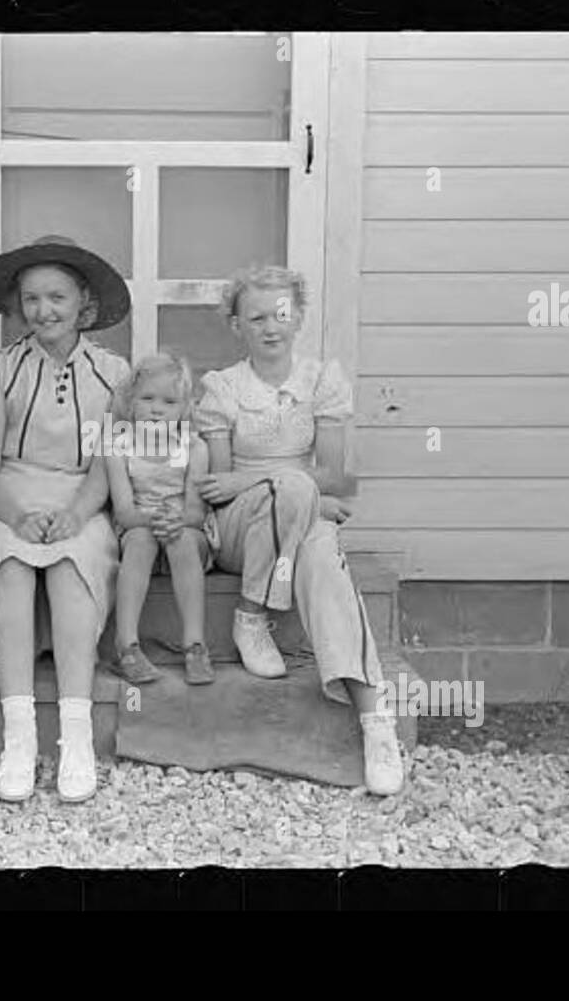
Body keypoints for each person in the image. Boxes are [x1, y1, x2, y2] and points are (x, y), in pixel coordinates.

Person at [194, 265, 405, 796]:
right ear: (237, 325)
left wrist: (295, 486)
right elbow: (221, 486)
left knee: (324, 558)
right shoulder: (222, 387)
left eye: (282, 314)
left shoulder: (321, 380)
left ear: (300, 317)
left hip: (302, 520)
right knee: (295, 495)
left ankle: (375, 723)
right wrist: (301, 489)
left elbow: (335, 474)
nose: (271, 326)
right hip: (244, 528)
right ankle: (251, 612)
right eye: (256, 316)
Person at [0, 235, 130, 804]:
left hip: (82, 498)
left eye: (57, 297)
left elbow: (109, 461)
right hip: (7, 497)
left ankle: (75, 735)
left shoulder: (113, 374)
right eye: (31, 299)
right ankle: (20, 736)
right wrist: (16, 515)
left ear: (84, 304)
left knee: (72, 567)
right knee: (6, 563)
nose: (43, 310)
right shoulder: (3, 369)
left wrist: (78, 515)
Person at [104, 351, 216, 686]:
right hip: (139, 529)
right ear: (131, 403)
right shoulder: (118, 447)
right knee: (139, 539)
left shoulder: (194, 449)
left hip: (184, 531)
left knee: (180, 539)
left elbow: (197, 512)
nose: (156, 408)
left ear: (184, 408)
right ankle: (127, 644)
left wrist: (176, 521)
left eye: (168, 402)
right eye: (147, 398)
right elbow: (123, 510)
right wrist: (152, 521)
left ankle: (194, 644)